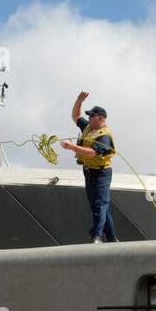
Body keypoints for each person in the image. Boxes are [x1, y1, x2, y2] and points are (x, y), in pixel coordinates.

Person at [61, 92, 117, 243]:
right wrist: (78, 100)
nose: (89, 118)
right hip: (89, 171)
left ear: (101, 118)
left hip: (101, 173)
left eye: (92, 116)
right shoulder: (89, 128)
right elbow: (76, 117)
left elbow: (93, 153)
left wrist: (72, 147)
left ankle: (97, 236)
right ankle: (112, 238)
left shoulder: (104, 136)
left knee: (100, 205)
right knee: (98, 205)